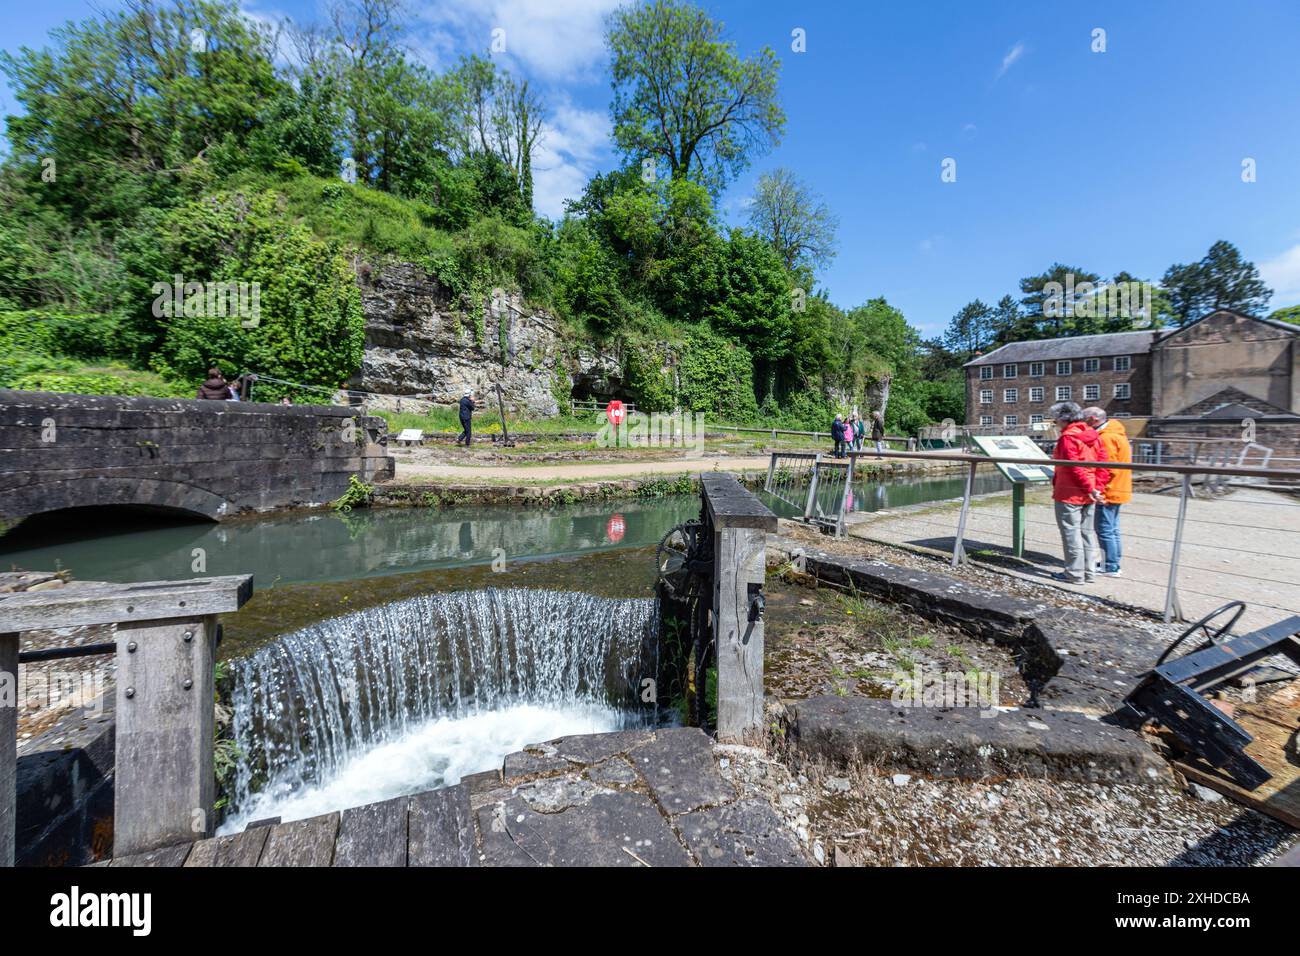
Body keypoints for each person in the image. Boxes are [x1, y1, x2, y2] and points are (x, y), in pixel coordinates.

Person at [1049, 401, 1111, 584]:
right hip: (1089, 492)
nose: (1055, 423)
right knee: (1086, 533)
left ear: (1063, 418)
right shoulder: (1094, 435)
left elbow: (1073, 467)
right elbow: (1103, 464)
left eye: (1055, 419)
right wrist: (1096, 488)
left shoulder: (1068, 437)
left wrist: (1090, 488)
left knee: (1071, 534)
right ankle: (1089, 572)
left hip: (1069, 492)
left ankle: (1074, 573)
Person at [1084, 406, 1131, 576]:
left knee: (1104, 529)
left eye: (1085, 418)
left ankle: (1110, 565)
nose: (1083, 421)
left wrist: (1098, 489)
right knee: (1112, 529)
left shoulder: (1106, 437)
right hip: (1120, 487)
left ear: (1094, 419)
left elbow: (1107, 467)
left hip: (1109, 489)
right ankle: (1113, 561)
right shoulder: (1117, 433)